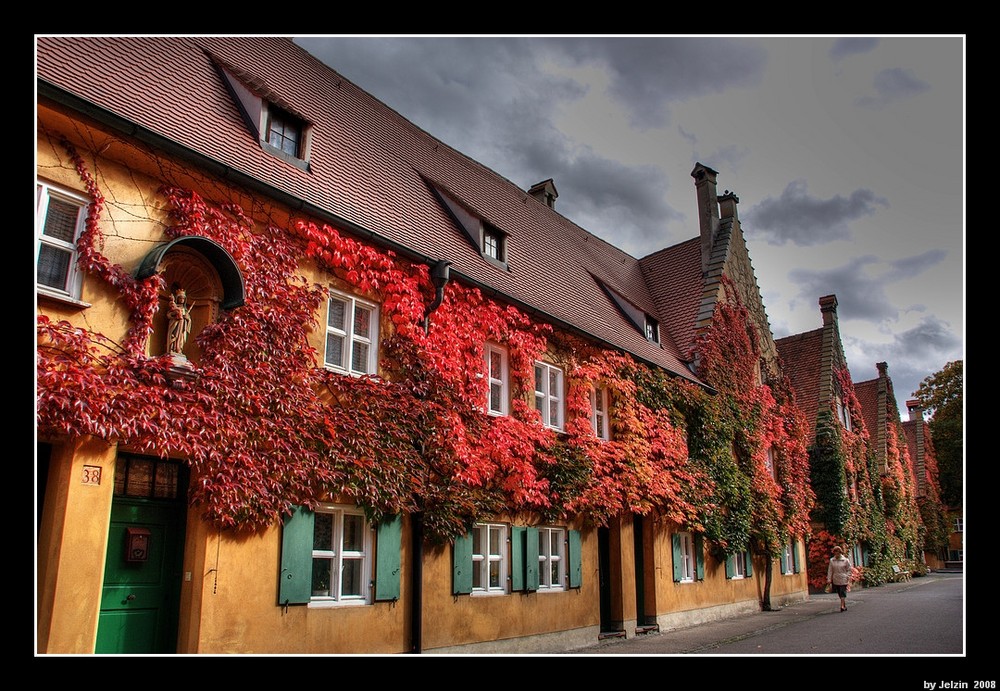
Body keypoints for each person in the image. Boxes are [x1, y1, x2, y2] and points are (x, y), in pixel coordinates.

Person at [826, 544, 853, 612]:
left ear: (840, 552)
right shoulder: (832, 560)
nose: (836, 553)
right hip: (836, 578)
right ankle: (844, 604)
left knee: (842, 591)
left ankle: (842, 606)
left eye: (838, 552)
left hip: (843, 578)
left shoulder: (845, 560)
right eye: (835, 552)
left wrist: (847, 576)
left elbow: (849, 569)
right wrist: (829, 579)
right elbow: (830, 570)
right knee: (839, 592)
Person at [166, 288, 192, 355]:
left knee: (181, 338)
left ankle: (179, 348)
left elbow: (189, 319)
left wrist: (187, 318)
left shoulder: (185, 309)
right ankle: (172, 348)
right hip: (175, 324)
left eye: (183, 298)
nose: (182, 300)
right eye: (180, 298)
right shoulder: (174, 306)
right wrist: (174, 314)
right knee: (174, 336)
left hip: (182, 325)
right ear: (177, 298)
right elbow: (169, 315)